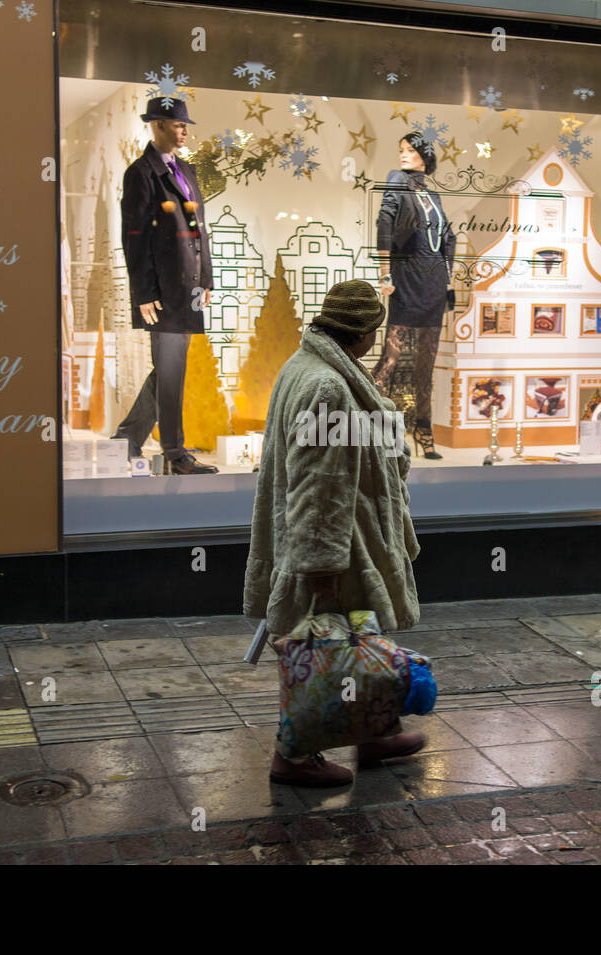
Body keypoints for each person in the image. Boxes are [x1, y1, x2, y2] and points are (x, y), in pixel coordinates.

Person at [244, 280, 427, 787]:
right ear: (365, 335)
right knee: (318, 650)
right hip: (339, 549)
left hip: (347, 542)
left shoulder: (303, 366)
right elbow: (319, 485)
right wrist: (320, 565)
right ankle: (294, 756)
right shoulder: (327, 386)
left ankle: (374, 733)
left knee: (359, 641)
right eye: (375, 331)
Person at [110, 97, 218, 475]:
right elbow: (134, 237)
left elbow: (200, 230)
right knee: (170, 371)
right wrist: (143, 294)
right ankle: (175, 453)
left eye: (185, 124)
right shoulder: (141, 173)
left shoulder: (186, 170)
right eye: (176, 124)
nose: (184, 130)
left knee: (169, 370)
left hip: (188, 287)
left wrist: (206, 279)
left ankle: (126, 439)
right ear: (156, 125)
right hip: (163, 289)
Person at [373, 132, 456, 460]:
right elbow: (384, 223)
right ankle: (374, 428)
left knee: (427, 363)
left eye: (410, 150)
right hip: (407, 279)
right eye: (401, 149)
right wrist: (385, 271)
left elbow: (446, 238)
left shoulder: (432, 194)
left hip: (434, 283)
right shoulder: (397, 180)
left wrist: (448, 280)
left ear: (425, 154)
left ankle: (424, 429)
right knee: (390, 359)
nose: (403, 155)